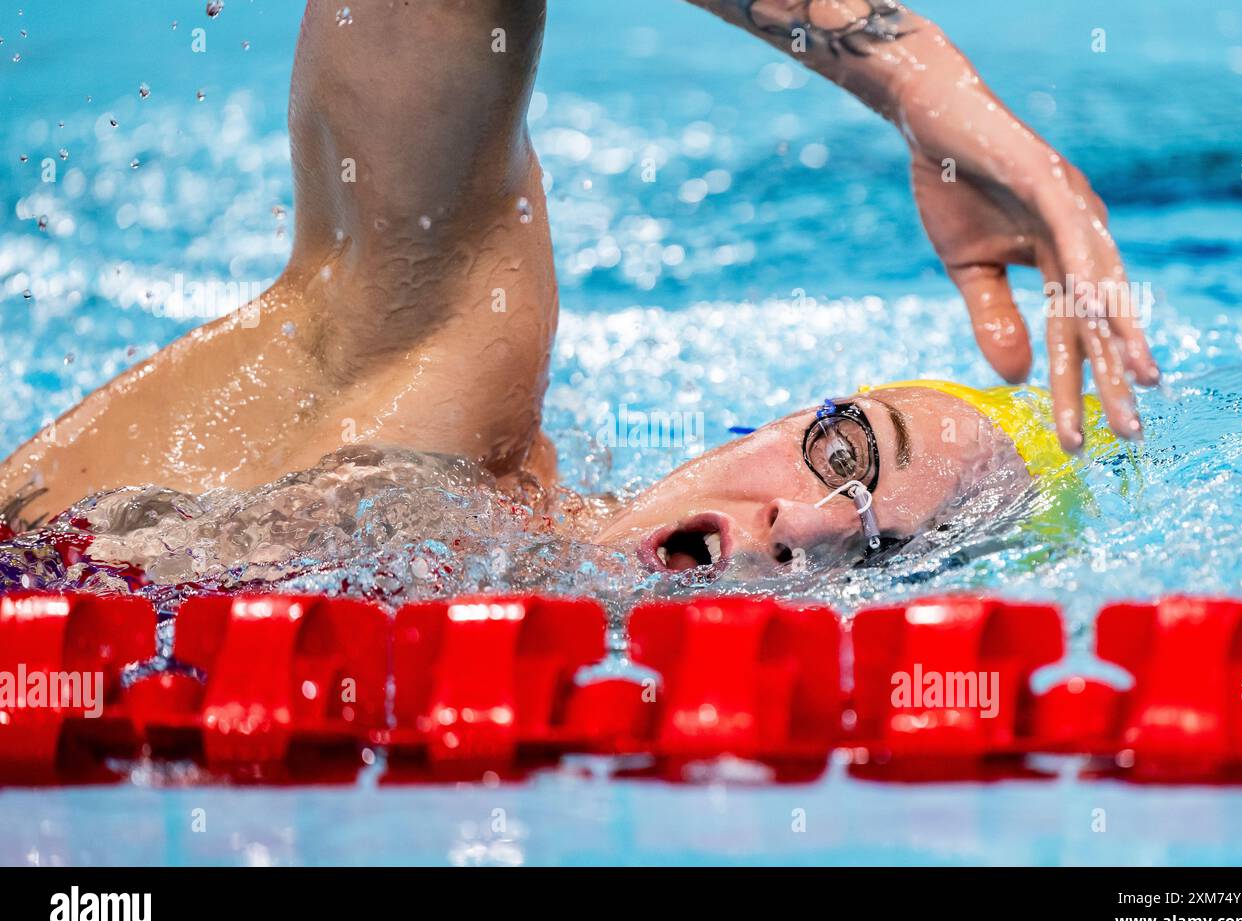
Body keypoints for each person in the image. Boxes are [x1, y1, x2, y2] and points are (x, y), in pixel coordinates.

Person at [0, 0, 1157, 578]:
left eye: (881, 558)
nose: (798, 530)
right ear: (770, 420)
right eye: (846, 455)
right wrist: (909, 75)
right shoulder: (427, 395)